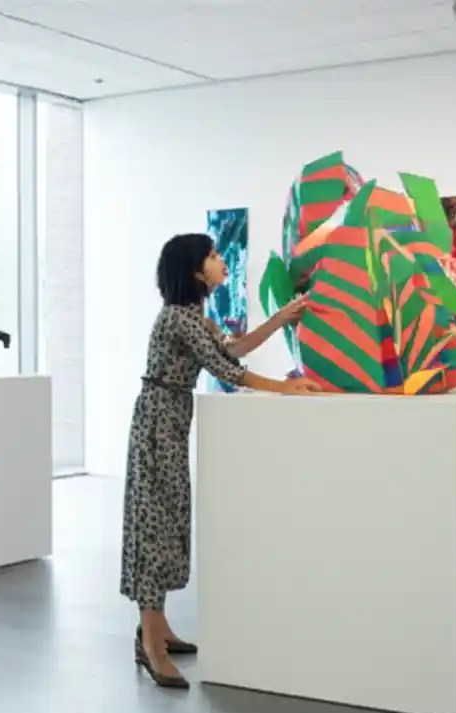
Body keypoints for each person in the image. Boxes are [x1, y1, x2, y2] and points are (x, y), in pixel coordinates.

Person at [121, 232, 320, 688]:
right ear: (195, 271)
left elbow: (230, 350)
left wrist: (280, 319)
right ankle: (151, 643)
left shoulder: (196, 317)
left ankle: (158, 628)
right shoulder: (179, 318)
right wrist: (283, 387)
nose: (220, 260)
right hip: (158, 422)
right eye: (212, 256)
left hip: (170, 418)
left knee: (170, 518)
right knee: (154, 524)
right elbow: (227, 370)